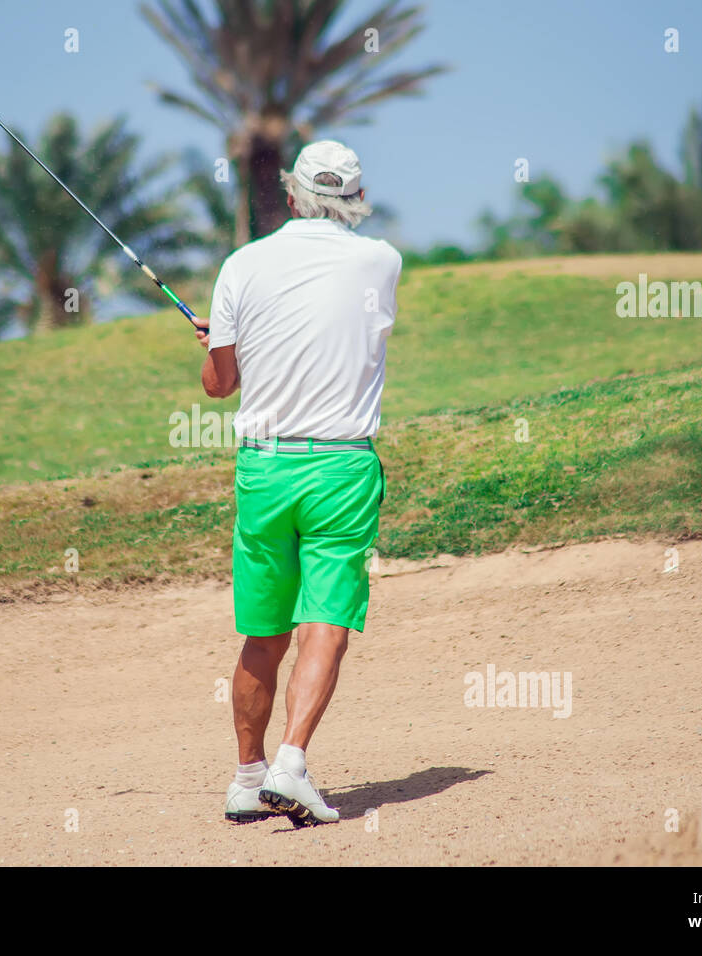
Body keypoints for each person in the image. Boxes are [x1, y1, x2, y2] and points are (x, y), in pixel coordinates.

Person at [193, 140, 402, 826]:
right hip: (340, 465)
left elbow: (221, 385)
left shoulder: (240, 265)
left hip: (263, 467)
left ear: (290, 196)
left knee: (263, 632)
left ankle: (247, 778)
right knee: (327, 621)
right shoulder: (382, 260)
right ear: (355, 202)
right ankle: (290, 764)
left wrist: (226, 340)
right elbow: (346, 334)